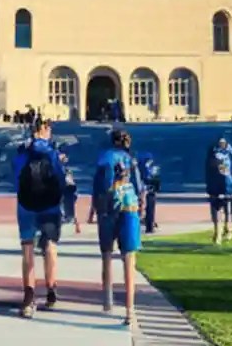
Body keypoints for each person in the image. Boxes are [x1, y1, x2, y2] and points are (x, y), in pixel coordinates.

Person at [90, 129, 145, 326]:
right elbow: (140, 187)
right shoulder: (132, 160)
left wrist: (94, 209)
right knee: (129, 259)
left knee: (107, 254)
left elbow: (99, 185)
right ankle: (130, 311)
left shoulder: (105, 158)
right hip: (129, 206)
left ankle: (108, 300)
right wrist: (142, 207)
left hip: (108, 208)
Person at [12, 117, 67, 318]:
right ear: (45, 130)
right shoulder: (52, 153)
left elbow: (16, 176)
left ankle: (28, 295)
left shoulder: (23, 151)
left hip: (26, 205)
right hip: (50, 205)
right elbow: (61, 179)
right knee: (50, 246)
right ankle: (51, 291)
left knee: (27, 248)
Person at [205, 137, 232, 244]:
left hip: (224, 184)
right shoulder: (214, 156)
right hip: (215, 183)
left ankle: (227, 227)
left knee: (227, 204)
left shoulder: (225, 157)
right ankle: (218, 231)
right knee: (216, 205)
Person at [57, 147, 82, 234]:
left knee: (70, 195)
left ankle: (69, 217)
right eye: (63, 154)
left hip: (66, 189)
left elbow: (71, 185)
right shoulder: (55, 166)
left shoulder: (66, 170)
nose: (65, 157)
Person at [139, 151, 161, 233]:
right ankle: (148, 221)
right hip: (144, 184)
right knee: (144, 200)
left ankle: (149, 222)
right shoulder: (147, 164)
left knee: (147, 200)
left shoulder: (148, 164)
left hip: (147, 184)